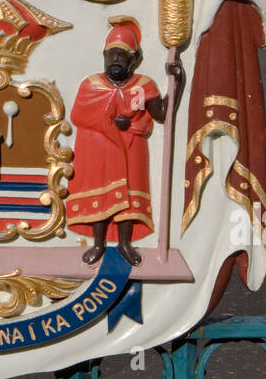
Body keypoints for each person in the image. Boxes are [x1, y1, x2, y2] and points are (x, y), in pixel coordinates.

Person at [66, 17, 182, 266]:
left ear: (134, 59)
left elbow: (162, 114)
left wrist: (178, 82)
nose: (116, 60)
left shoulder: (144, 85)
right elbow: (79, 116)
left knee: (128, 195)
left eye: (122, 55)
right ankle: (98, 244)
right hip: (100, 150)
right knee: (102, 194)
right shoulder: (92, 85)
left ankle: (125, 243)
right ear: (104, 56)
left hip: (132, 149)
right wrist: (109, 122)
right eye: (112, 55)